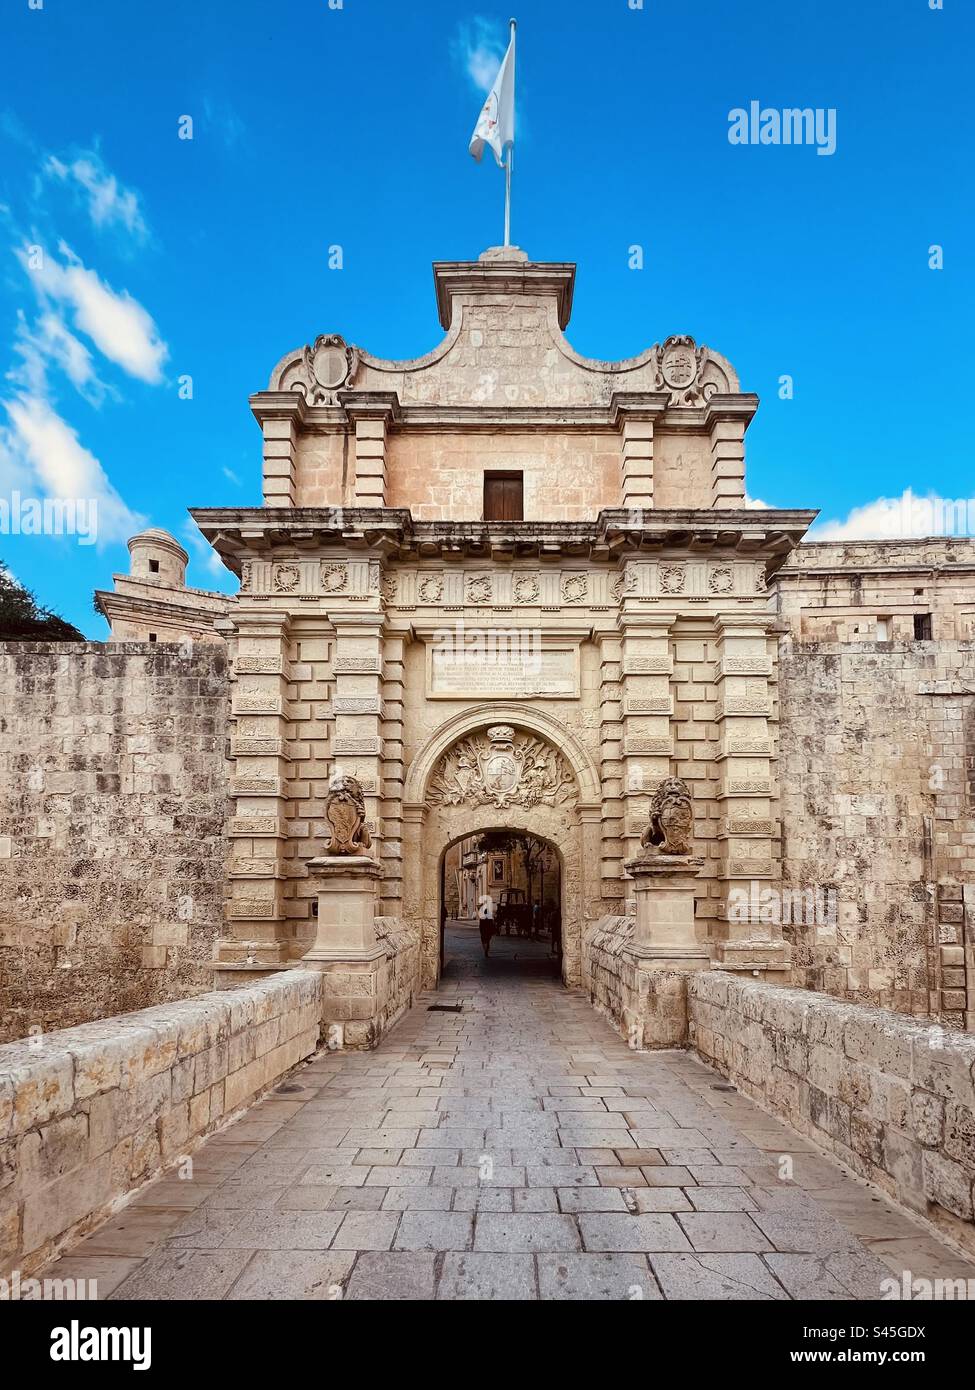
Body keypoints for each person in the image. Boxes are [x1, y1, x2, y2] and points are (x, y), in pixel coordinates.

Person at [477, 893, 496, 958]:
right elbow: (491, 923)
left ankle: (485, 950)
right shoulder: (489, 916)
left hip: (484, 930)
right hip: (488, 930)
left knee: (484, 941)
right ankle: (486, 951)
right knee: (487, 941)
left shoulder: (482, 917)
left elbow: (481, 925)